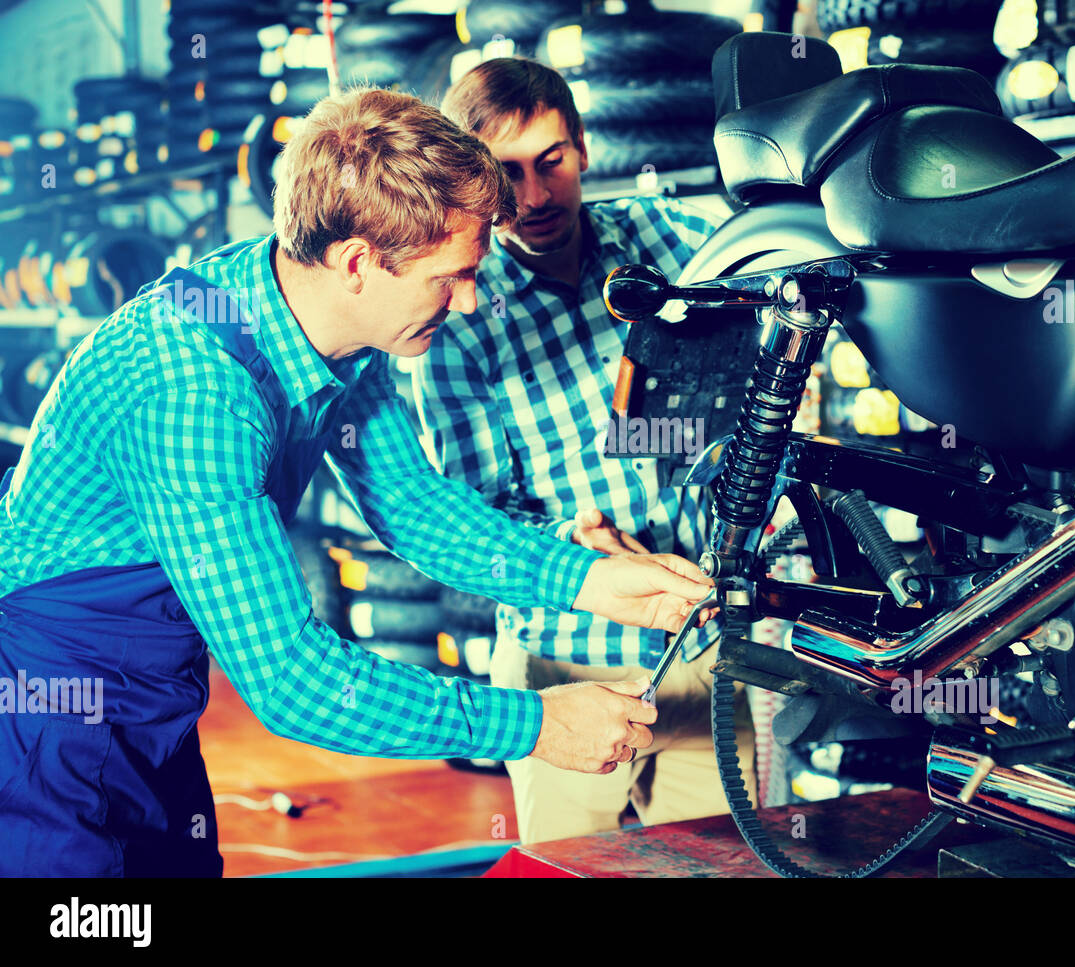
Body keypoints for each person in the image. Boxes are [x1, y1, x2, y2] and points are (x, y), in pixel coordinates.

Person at [0, 87, 714, 877]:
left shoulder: (326, 319)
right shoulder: (192, 391)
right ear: (358, 262)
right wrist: (533, 723)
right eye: (454, 276)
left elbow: (412, 506)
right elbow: (290, 679)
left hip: (153, 690)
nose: (471, 299)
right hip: (53, 703)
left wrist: (594, 580)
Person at [414, 58, 755, 845]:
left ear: (585, 148)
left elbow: (770, 281)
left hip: (703, 648)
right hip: (567, 665)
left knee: (726, 866)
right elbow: (473, 519)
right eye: (506, 174)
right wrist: (571, 547)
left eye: (551, 161)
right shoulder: (457, 319)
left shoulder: (665, 240)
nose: (534, 198)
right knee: (574, 868)